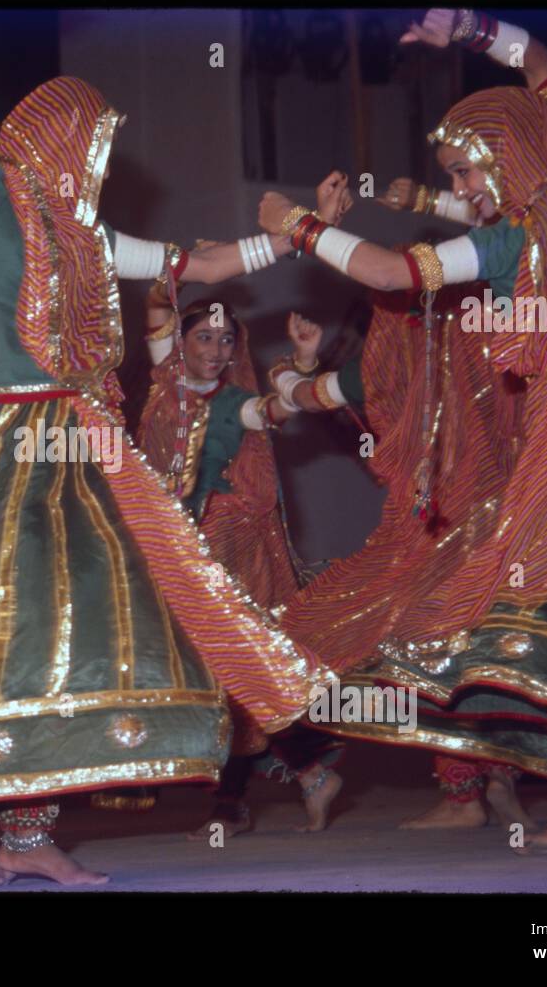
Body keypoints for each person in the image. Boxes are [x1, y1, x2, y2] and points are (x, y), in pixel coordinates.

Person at [0, 8, 335, 889]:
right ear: (58, 138)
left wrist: (292, 236)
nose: (97, 161)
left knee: (73, 628)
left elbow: (194, 265)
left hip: (66, 443)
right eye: (91, 142)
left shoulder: (85, 235)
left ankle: (28, 833)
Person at [259, 9, 547, 855]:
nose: (467, 191)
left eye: (470, 173)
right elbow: (541, 59)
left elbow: (394, 271)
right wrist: (471, 29)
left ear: (507, 157)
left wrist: (298, 229)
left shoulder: (515, 237)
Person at [134, 289, 345, 837]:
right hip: (169, 547)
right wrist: (176, 267)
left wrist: (302, 364)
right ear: (182, 343)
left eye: (227, 339)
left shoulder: (233, 405)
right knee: (204, 672)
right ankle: (305, 771)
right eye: (204, 336)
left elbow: (279, 407)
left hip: (220, 542)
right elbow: (157, 307)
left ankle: (242, 798)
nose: (217, 347)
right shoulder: (167, 384)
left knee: (226, 668)